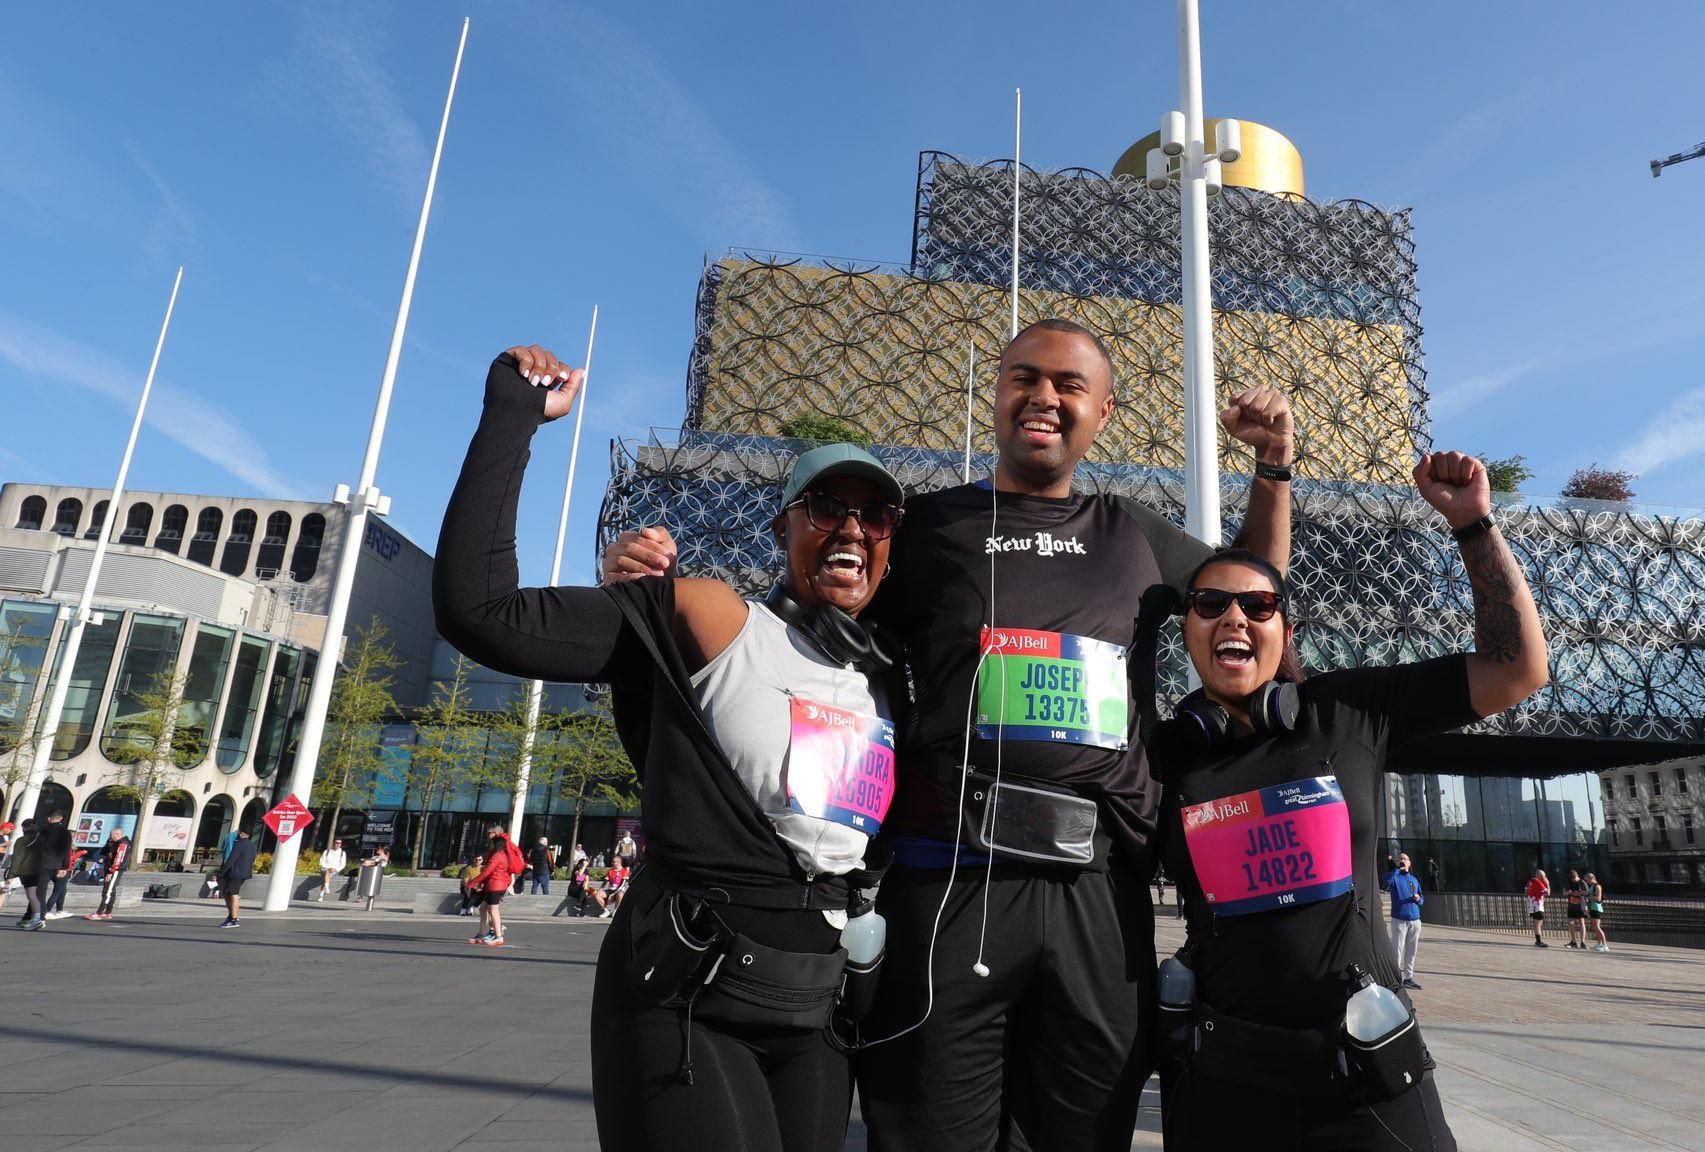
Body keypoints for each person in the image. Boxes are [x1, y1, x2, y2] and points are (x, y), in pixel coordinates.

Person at [601, 318, 1297, 1152]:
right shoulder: (924, 529)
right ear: (996, 398)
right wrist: (660, 602)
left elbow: (1253, 596)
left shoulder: (1135, 536)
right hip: (948, 881)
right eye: (1024, 378)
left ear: (1103, 413)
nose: (1044, 397)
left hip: (1098, 894)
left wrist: (1273, 466)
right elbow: (807, 614)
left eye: (1069, 385)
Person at [435, 344, 911, 1150]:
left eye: (876, 516)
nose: (851, 529)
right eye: (825, 506)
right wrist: (513, 416)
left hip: (817, 1014)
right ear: (782, 525)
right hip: (687, 999)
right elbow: (480, 612)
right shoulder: (717, 621)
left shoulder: (892, 678)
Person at [1150, 448, 1551, 1150]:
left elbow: (1518, 669)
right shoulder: (1167, 754)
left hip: (1366, 1071)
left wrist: (1472, 525)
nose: (1235, 618)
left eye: (1259, 605)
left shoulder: (1348, 711)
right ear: (1188, 629)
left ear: (1285, 631)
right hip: (1223, 1081)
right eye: (1211, 604)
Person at [468, 825, 520, 947]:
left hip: (495, 885)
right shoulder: (505, 855)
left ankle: (498, 936)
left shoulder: (497, 855)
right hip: (497, 885)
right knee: (483, 909)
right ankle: (482, 935)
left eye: (492, 841)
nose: (489, 842)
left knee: (493, 910)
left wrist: (473, 882)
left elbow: (488, 871)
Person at [1384, 852, 1425, 989]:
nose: (1402, 860)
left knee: (1411, 951)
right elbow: (1387, 882)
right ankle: (1394, 978)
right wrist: (1396, 869)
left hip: (1415, 920)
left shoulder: (1414, 879)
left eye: (1405, 859)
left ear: (1409, 862)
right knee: (1397, 950)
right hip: (1399, 920)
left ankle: (1408, 977)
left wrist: (1419, 900)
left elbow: (1421, 898)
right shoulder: (1395, 877)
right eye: (1400, 859)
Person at [84, 827, 130, 921]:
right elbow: (106, 852)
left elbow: (118, 859)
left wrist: (111, 871)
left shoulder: (123, 843)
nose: (110, 837)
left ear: (117, 834)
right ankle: (108, 912)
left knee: (107, 891)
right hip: (110, 868)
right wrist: (103, 858)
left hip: (115, 870)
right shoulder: (114, 842)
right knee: (111, 890)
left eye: (111, 835)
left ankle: (99, 913)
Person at [216, 832, 256, 927]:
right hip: (243, 873)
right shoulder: (252, 845)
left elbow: (231, 858)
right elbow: (253, 859)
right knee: (226, 892)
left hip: (235, 873)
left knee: (233, 894)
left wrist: (221, 872)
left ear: (241, 833)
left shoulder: (239, 844)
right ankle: (231, 916)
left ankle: (234, 919)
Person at [1562, 870, 1588, 949]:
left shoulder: (1582, 882)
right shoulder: (1568, 881)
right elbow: (1564, 892)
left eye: (1574, 878)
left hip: (1580, 905)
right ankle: (1573, 941)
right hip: (1571, 905)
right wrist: (1568, 892)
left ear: (1577, 876)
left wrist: (1579, 893)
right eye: (1571, 879)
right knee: (1570, 923)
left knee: (1581, 922)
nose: (1573, 880)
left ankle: (1583, 942)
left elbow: (1587, 892)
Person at [1585, 871, 1610, 952]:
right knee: (1594, 926)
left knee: (1597, 926)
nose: (1587, 882)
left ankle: (1605, 945)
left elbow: (1598, 898)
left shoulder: (1597, 886)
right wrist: (1580, 893)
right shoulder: (1592, 886)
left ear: (1591, 878)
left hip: (1596, 908)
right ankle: (1599, 943)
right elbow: (1587, 893)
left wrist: (1589, 897)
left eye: (1587, 880)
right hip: (1592, 908)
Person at [1526, 868, 1550, 948]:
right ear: (1540, 876)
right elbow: (1547, 893)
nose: (1544, 878)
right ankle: (1538, 941)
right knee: (1538, 924)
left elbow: (1526, 891)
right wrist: (1547, 883)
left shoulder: (1530, 881)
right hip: (1537, 906)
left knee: (1537, 923)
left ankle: (1538, 940)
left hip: (1532, 905)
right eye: (1543, 876)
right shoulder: (1537, 881)